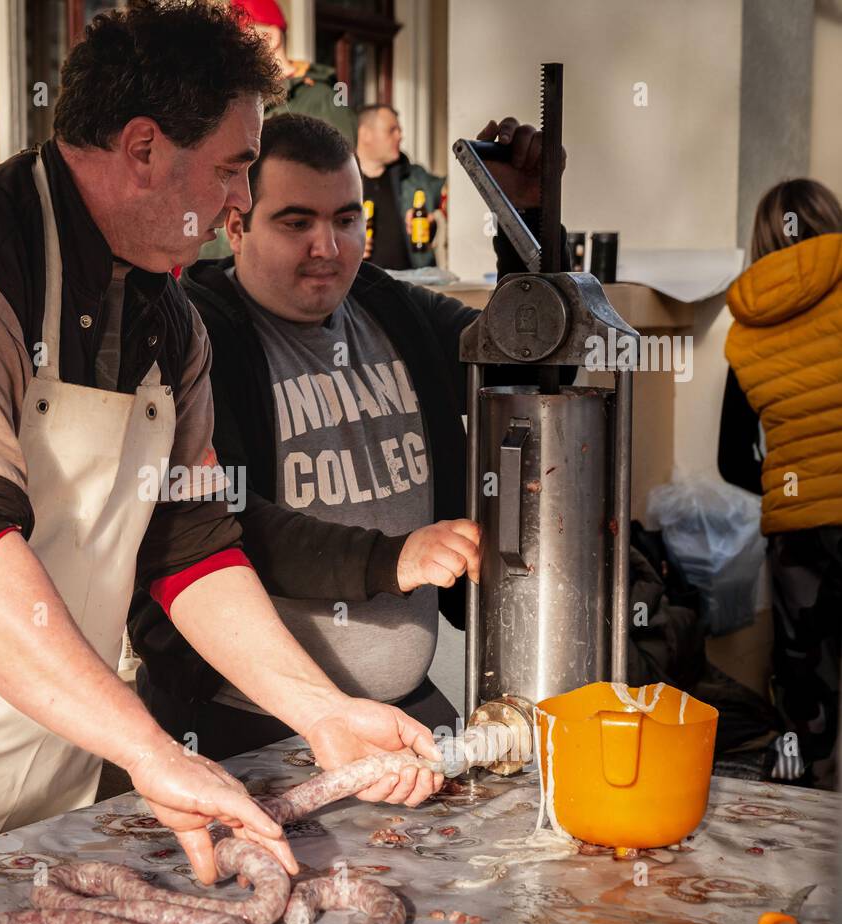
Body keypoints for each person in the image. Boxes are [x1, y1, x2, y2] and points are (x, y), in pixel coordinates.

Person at [0, 1, 445, 913]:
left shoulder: (167, 319)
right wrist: (152, 750)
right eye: (233, 168)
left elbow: (191, 545)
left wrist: (321, 710)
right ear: (145, 147)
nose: (239, 201)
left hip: (46, 763)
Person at [129, 112, 568, 759]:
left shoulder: (385, 303)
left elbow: (537, 360)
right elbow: (223, 522)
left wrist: (525, 221)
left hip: (405, 707)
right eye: (296, 221)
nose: (327, 247)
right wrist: (392, 558)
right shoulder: (197, 337)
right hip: (243, 723)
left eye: (345, 219)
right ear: (236, 223)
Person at [723, 177, 842, 786]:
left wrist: (792, 482)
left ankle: (803, 825)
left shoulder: (746, 329)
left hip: (798, 533)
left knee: (806, 683)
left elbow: (731, 459)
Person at [196, 0, 357, 261]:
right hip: (220, 249)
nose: (228, 52)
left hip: (285, 253)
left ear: (269, 37)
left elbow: (336, 187)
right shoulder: (230, 99)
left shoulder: (322, 99)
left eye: (237, 38)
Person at [356, 104, 446, 269]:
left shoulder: (415, 177)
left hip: (410, 288)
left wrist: (433, 222)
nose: (400, 136)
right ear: (365, 134)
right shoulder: (339, 182)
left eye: (399, 130)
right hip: (359, 290)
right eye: (392, 130)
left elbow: (454, 190)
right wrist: (348, 248)